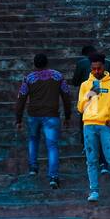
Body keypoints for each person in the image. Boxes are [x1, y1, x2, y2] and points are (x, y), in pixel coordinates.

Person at [77, 54, 110, 204]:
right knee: (91, 160)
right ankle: (94, 191)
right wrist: (90, 94)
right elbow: (80, 108)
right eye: (93, 69)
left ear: (104, 67)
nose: (96, 71)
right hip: (89, 125)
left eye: (99, 68)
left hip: (105, 126)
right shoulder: (85, 85)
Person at [15, 52, 72, 189]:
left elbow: (21, 98)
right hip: (51, 115)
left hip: (33, 115)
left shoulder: (28, 79)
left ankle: (33, 167)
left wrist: (18, 119)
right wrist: (67, 116)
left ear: (34, 64)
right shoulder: (58, 76)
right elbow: (66, 96)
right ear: (47, 63)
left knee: (33, 140)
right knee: (52, 146)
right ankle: (53, 177)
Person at [72, 45, 110, 176]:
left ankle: (88, 150)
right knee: (104, 134)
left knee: (88, 129)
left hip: (89, 106)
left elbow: (75, 81)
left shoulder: (82, 64)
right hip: (105, 106)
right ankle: (104, 163)